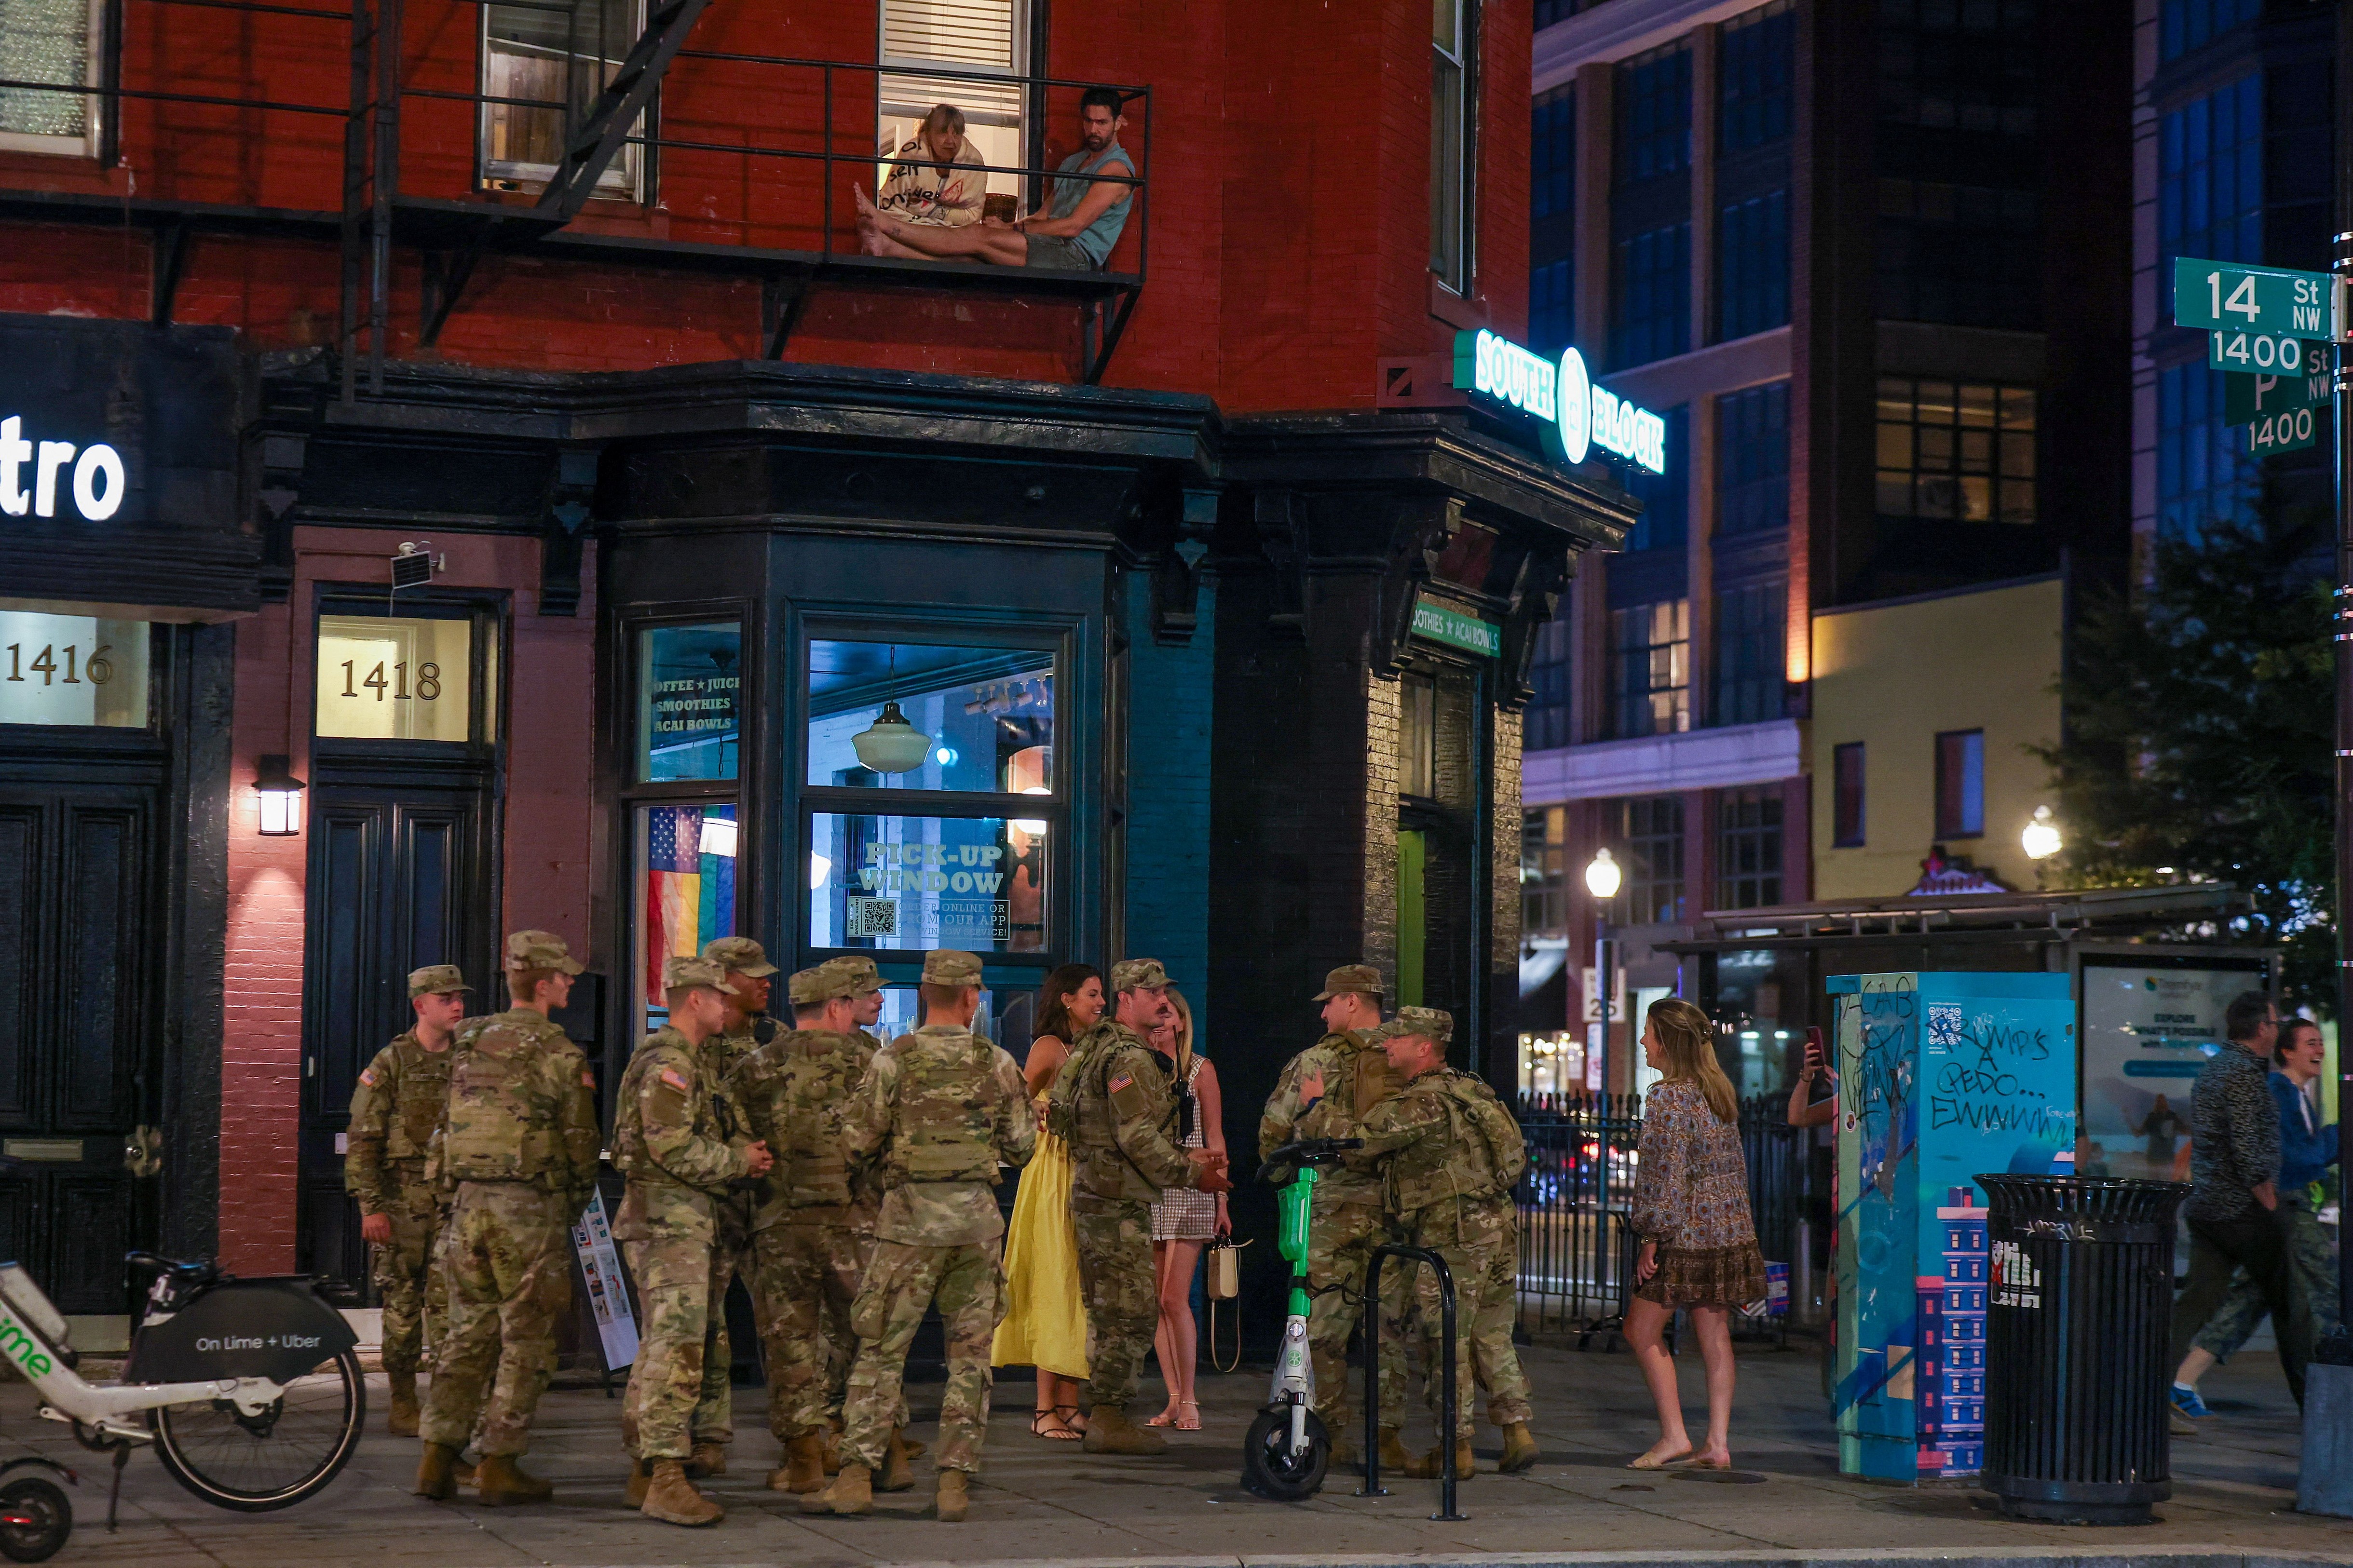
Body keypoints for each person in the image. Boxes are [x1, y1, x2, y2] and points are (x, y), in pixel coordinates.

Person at [809, 950, 1035, 1523]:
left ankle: (857, 1476)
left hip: (908, 1225)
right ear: (970, 998)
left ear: (923, 995)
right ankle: (954, 1485)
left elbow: (856, 1140)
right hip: (976, 1228)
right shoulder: (999, 1062)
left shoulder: (892, 1061)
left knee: (881, 1352)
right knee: (970, 1360)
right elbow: (1022, 1148)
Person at [414, 931, 601, 1505]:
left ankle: (437, 1458)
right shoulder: (558, 1053)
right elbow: (579, 1144)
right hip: (527, 1208)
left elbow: (446, 1121)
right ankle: (499, 1464)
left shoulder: (470, 1040)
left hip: (468, 1205)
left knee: (466, 1335)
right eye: (564, 975)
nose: (571, 982)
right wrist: (567, 1208)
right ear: (542, 984)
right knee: (527, 1341)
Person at [732, 963, 910, 1494]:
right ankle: (888, 1452)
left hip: (781, 1225)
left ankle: (804, 1461)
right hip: (857, 1223)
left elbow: (735, 1142)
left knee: (790, 1345)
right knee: (869, 1339)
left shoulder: (756, 1067)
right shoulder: (873, 1063)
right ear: (836, 1007)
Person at [1339, 1008, 1537, 1477]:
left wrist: (1316, 1107)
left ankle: (1456, 1451)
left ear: (1423, 1046)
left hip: (1453, 1231)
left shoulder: (1421, 1102)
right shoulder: (1470, 1090)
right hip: (1498, 1223)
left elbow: (1362, 1141)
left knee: (1443, 1338)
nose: (1387, 1046)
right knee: (1491, 1334)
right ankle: (1517, 1433)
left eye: (1396, 1039)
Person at [611, 956, 773, 1527]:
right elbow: (670, 1147)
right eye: (722, 997)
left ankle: (645, 1472)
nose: (731, 1007)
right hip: (667, 1221)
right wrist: (738, 1160)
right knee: (674, 1350)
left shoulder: (686, 1060)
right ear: (696, 999)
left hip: (679, 1221)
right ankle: (664, 1477)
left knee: (669, 1345)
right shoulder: (669, 1063)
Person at [1048, 957, 1231, 1455]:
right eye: (1152, 995)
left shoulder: (1096, 1046)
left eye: (1165, 994)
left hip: (1100, 1195)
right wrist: (1195, 1173)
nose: (1164, 1002)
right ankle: (1108, 1416)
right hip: (1115, 1203)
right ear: (1127, 998)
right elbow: (1136, 1137)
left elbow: (1085, 1124)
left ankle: (1108, 1413)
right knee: (1127, 1315)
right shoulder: (1128, 1057)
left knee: (1114, 1310)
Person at [1257, 963, 1403, 1472]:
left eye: (1329, 1002)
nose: (1323, 1013)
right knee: (1390, 1332)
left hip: (1330, 1213)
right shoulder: (1403, 1056)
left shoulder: (1315, 1061)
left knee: (1321, 1332)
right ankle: (1386, 1438)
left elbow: (1274, 1130)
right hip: (1392, 1212)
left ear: (1352, 1002)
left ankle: (1330, 1436)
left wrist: (1278, 1180)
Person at [2172, 1014, 2341, 1419]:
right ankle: (2325, 1400)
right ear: (2286, 1051)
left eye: (2320, 1043)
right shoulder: (2277, 1092)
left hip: (2284, 1207)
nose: (2319, 1051)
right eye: (2310, 1043)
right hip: (2282, 1208)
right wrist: (2338, 1135)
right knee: (2317, 1297)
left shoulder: (2297, 1096)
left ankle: (2181, 1380)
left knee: (2252, 1298)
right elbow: (2291, 1157)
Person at [1624, 997, 1767, 1471]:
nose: (1643, 1041)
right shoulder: (1717, 1091)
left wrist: (1650, 1237)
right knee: (1714, 1334)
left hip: (1684, 1237)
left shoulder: (1668, 1097)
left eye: (1648, 1032)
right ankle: (1718, 1444)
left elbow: (1664, 1174)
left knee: (1641, 1330)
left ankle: (1673, 1436)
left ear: (1667, 1042)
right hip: (1728, 1234)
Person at [346, 963, 469, 1436]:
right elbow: (363, 1139)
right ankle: (402, 1401)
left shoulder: (468, 1058)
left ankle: (443, 1404)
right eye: (447, 999)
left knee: (449, 1305)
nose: (457, 1006)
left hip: (452, 1200)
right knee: (402, 1305)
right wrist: (370, 1206)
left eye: (460, 997)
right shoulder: (391, 1063)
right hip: (401, 1200)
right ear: (421, 1006)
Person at [992, 963, 1101, 1441]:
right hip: (1053, 1173)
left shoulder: (1095, 1047)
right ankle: (1042, 1409)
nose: (1101, 1003)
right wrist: (1033, 1105)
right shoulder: (1049, 1048)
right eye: (1093, 994)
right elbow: (1011, 1098)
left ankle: (1070, 1401)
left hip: (1088, 1174)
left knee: (1080, 1288)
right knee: (1053, 1283)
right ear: (1066, 999)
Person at [855, 88, 1135, 271]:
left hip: (1075, 257)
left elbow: (1074, 226)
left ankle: (888, 224)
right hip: (1051, 245)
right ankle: (888, 246)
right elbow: (1044, 214)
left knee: (976, 236)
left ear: (1119, 122)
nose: (1094, 129)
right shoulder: (1072, 163)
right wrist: (1007, 226)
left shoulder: (1116, 170)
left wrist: (1014, 232)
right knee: (974, 257)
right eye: (1089, 122)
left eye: (1102, 123)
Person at [692, 934, 782, 1477]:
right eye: (754, 974)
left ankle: (806, 1437)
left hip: (772, 1205)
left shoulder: (779, 1042)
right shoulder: (692, 1047)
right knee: (706, 1324)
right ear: (723, 980)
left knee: (790, 1326)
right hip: (717, 1204)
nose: (765, 983)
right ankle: (707, 1436)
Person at [1144, 985, 1226, 1431]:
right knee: (1158, 1301)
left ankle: (1191, 1397)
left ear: (1181, 1021)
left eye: (1168, 1014)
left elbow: (1215, 1137)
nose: (1161, 1022)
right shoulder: (1140, 1070)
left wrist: (1222, 1196)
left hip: (1194, 1186)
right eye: (1155, 1014)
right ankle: (1173, 1397)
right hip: (1155, 1186)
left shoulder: (1200, 1070)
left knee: (1175, 1297)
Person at [876, 104, 986, 229]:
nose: (950, 141)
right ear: (929, 134)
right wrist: (943, 221)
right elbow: (889, 209)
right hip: (911, 232)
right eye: (943, 133)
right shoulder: (912, 154)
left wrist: (922, 208)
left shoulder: (973, 161)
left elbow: (973, 217)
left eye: (956, 133)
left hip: (956, 237)